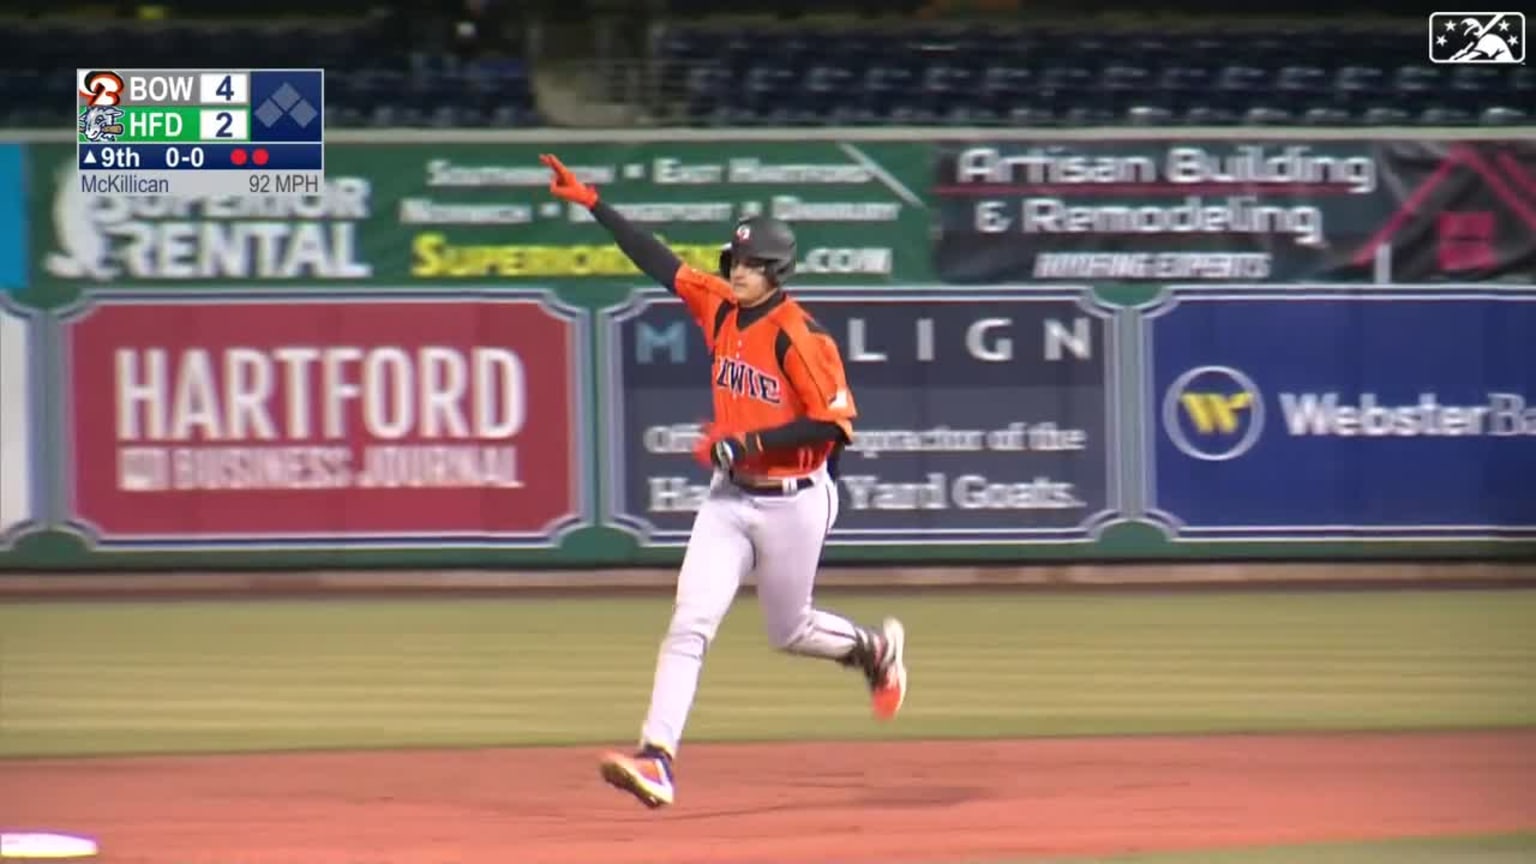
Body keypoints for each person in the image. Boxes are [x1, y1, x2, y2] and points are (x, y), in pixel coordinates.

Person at [538, 153, 908, 809]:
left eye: (753, 264)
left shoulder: (801, 336)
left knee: (788, 631)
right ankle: (657, 760)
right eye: (735, 260)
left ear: (777, 272)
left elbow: (833, 426)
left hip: (796, 500)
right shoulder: (719, 307)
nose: (739, 271)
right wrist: (594, 203)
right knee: (690, 623)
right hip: (730, 499)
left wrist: (750, 442)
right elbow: (656, 258)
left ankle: (874, 652)